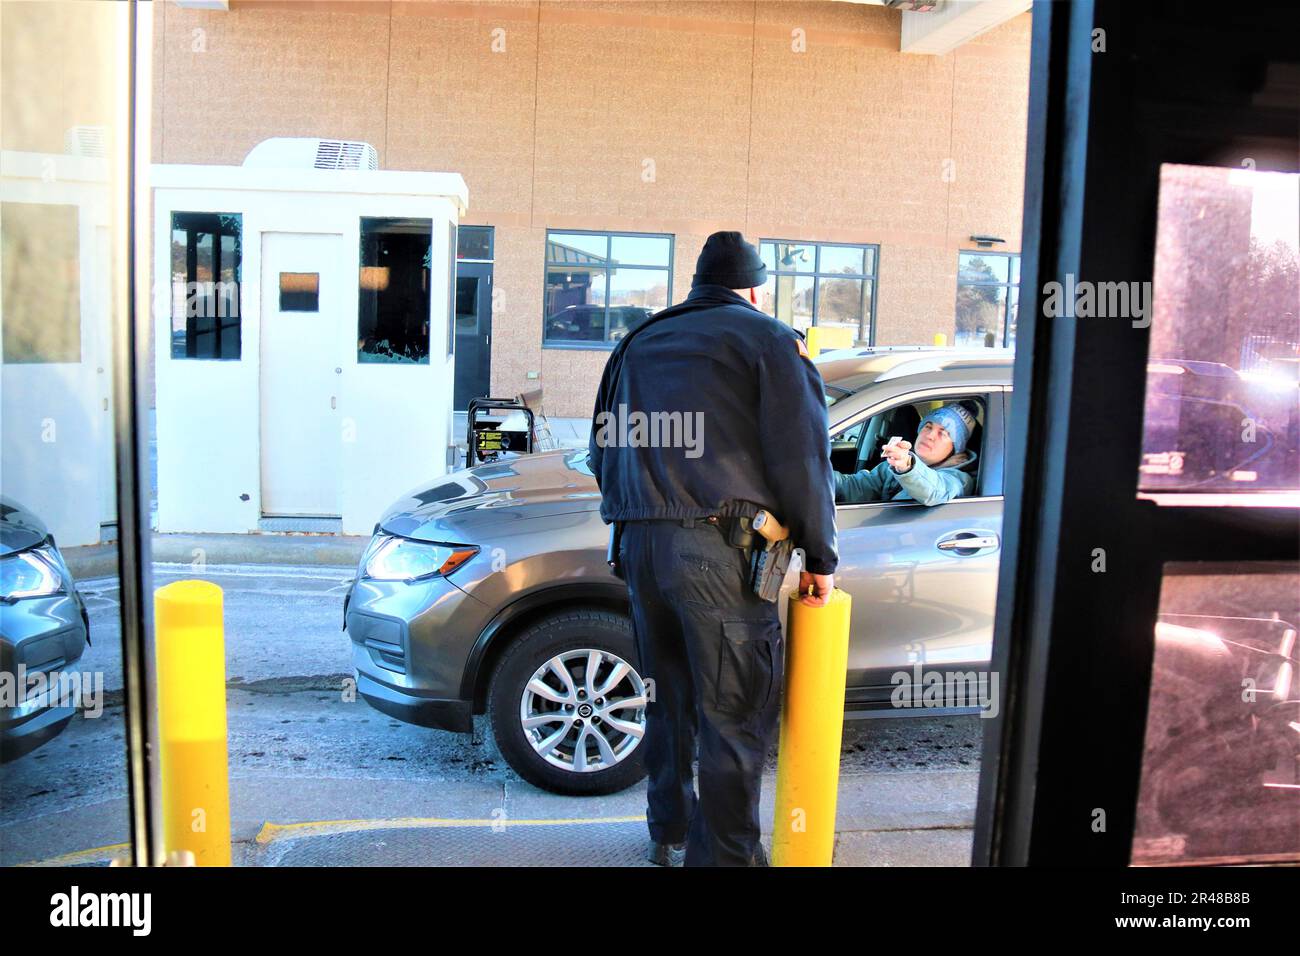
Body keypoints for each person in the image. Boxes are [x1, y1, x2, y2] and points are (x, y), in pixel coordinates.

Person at [588, 230, 839, 867]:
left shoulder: (636, 343)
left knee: (668, 701)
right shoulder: (769, 341)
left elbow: (601, 451)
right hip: (719, 557)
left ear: (698, 285)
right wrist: (820, 557)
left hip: (638, 549)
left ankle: (667, 830)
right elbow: (803, 459)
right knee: (732, 717)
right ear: (754, 288)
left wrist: (641, 517)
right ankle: (724, 860)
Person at [835, 402, 979, 506]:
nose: (930, 435)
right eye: (928, 426)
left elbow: (934, 491)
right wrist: (819, 475)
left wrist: (907, 465)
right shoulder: (894, 465)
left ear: (955, 448)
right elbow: (856, 487)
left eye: (943, 433)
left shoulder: (959, 479)